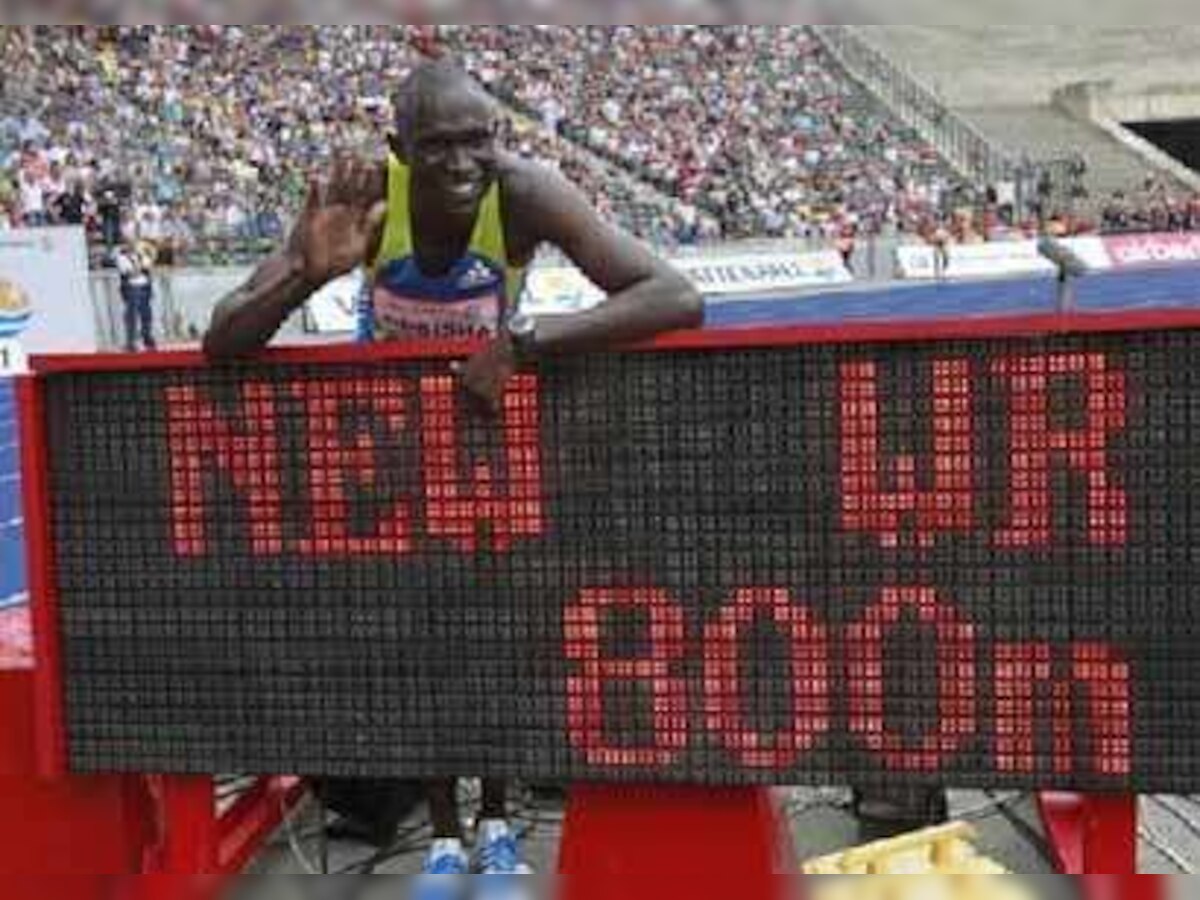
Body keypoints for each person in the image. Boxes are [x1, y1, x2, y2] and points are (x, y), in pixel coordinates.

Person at [204, 60, 702, 879]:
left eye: (480, 139)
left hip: (485, 440)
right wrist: (307, 272)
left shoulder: (527, 191)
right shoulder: (365, 200)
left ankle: (497, 823)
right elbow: (223, 341)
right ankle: (441, 837)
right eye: (439, 147)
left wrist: (525, 343)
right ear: (400, 149)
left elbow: (675, 295)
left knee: (496, 640)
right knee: (422, 646)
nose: (465, 162)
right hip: (392, 454)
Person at [116, 240, 157, 352]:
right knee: (131, 316)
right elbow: (128, 272)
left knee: (146, 315)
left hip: (144, 286)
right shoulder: (122, 257)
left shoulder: (141, 255)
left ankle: (147, 338)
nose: (131, 246)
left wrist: (140, 269)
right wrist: (139, 269)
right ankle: (131, 342)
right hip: (132, 287)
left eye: (133, 244)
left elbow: (148, 266)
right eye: (128, 244)